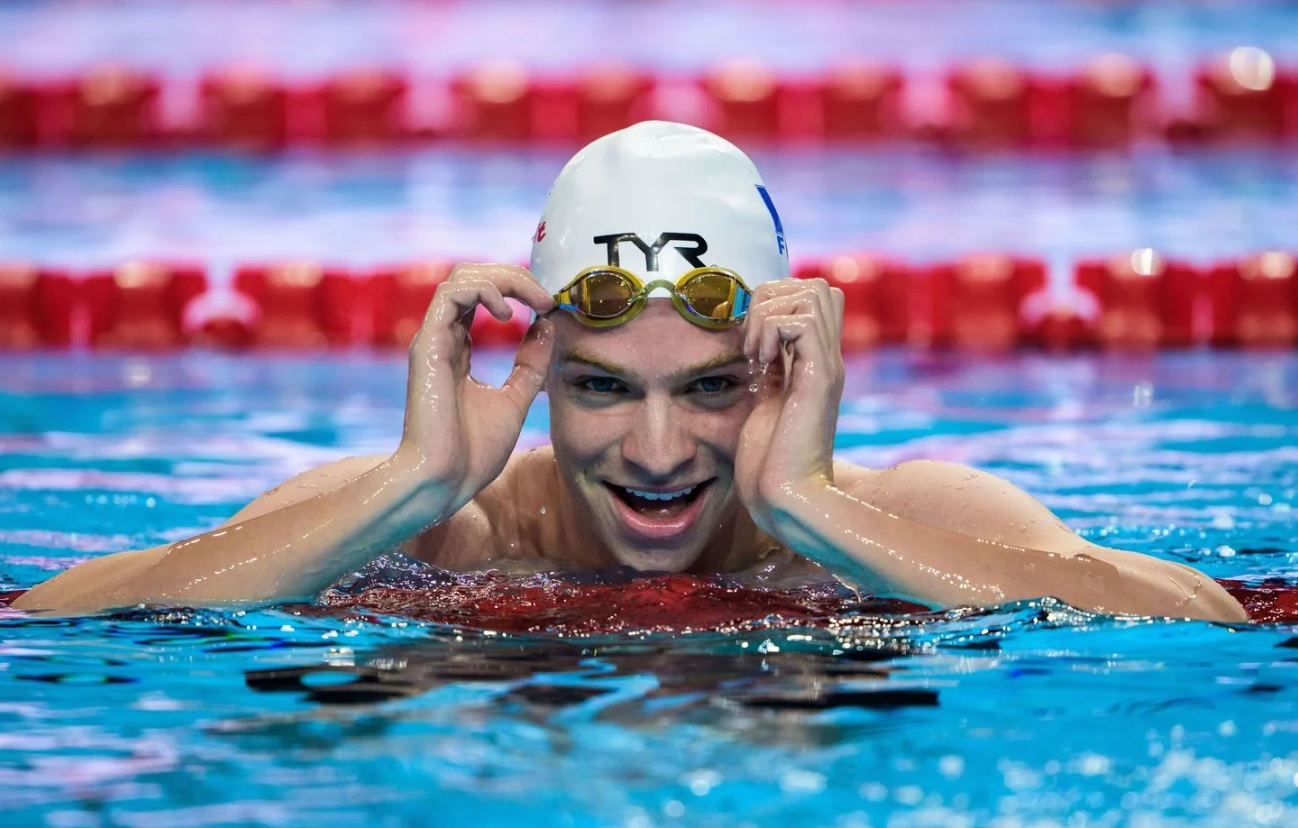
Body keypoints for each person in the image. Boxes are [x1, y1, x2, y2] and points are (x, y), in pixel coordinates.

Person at [13, 121, 1247, 623]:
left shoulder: (889, 518)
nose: (656, 454)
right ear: (538, 375)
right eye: (602, 387)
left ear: (780, 368)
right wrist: (407, 486)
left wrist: (813, 510)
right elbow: (49, 622)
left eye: (709, 387)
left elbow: (1205, 619)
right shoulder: (449, 531)